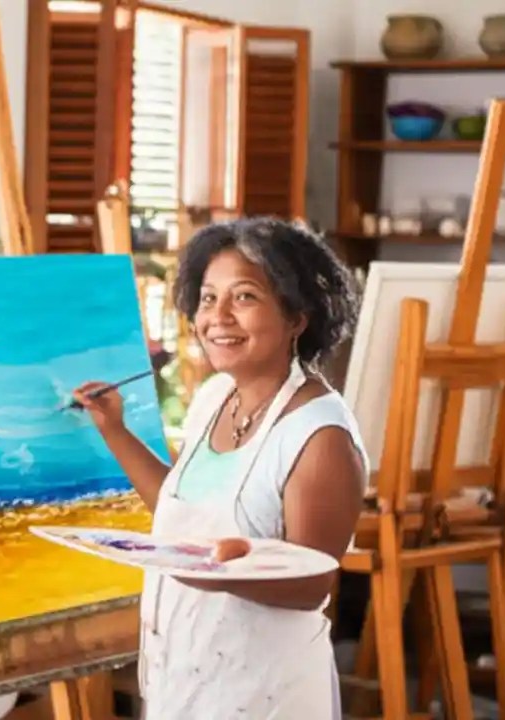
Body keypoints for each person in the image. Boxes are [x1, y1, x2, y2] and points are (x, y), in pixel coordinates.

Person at [72, 217, 368, 719]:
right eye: (208, 298)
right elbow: (181, 510)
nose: (218, 317)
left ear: (297, 316)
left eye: (245, 297)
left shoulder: (321, 438)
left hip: (267, 694)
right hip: (188, 679)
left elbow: (311, 583)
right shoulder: (214, 398)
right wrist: (114, 431)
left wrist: (214, 575)